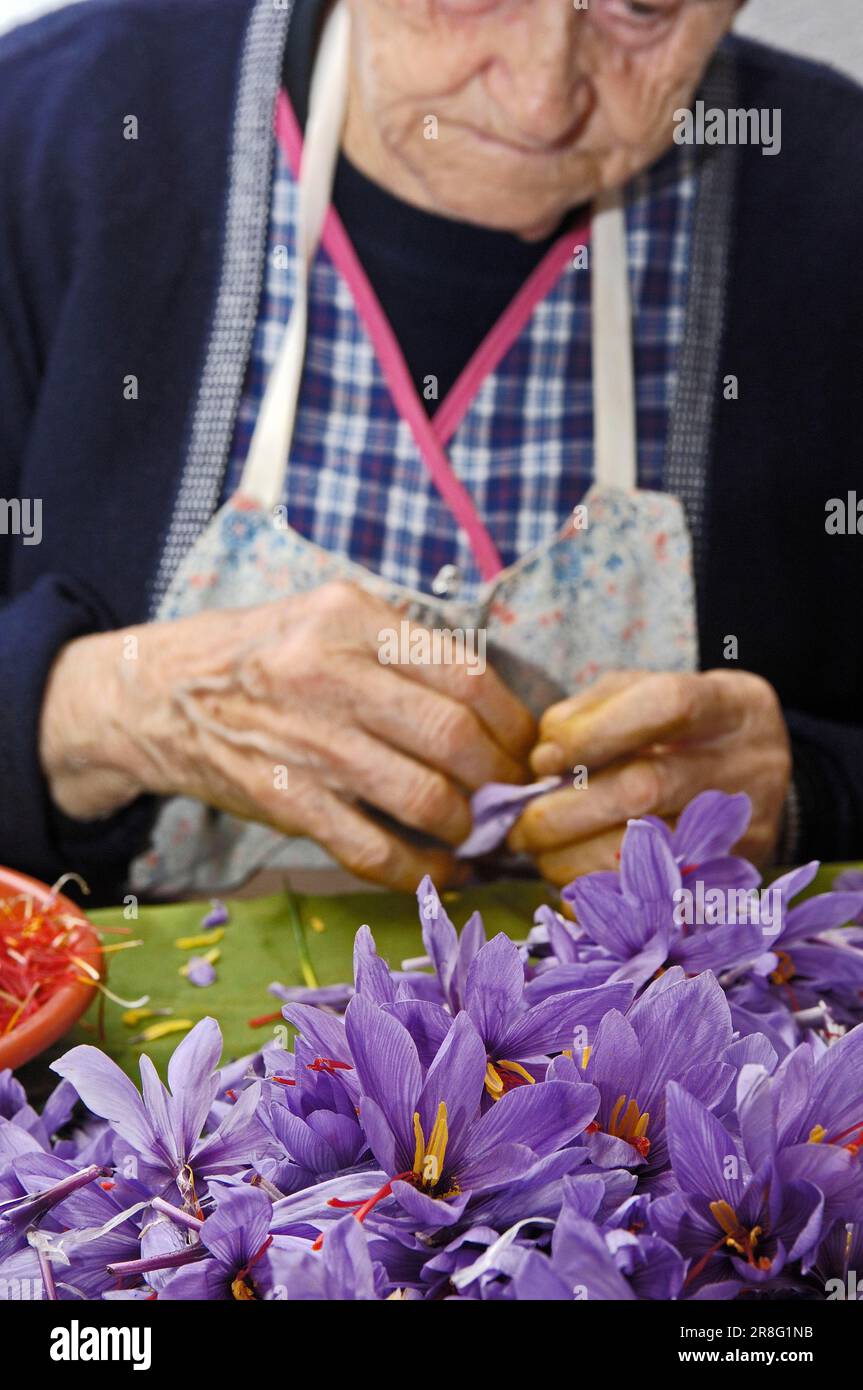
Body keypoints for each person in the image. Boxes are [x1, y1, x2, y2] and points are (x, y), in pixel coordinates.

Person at [1, 0, 861, 904]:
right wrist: (103, 710)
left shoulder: (830, 197)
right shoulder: (51, 132)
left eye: (640, 9)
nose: (540, 103)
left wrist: (808, 793)